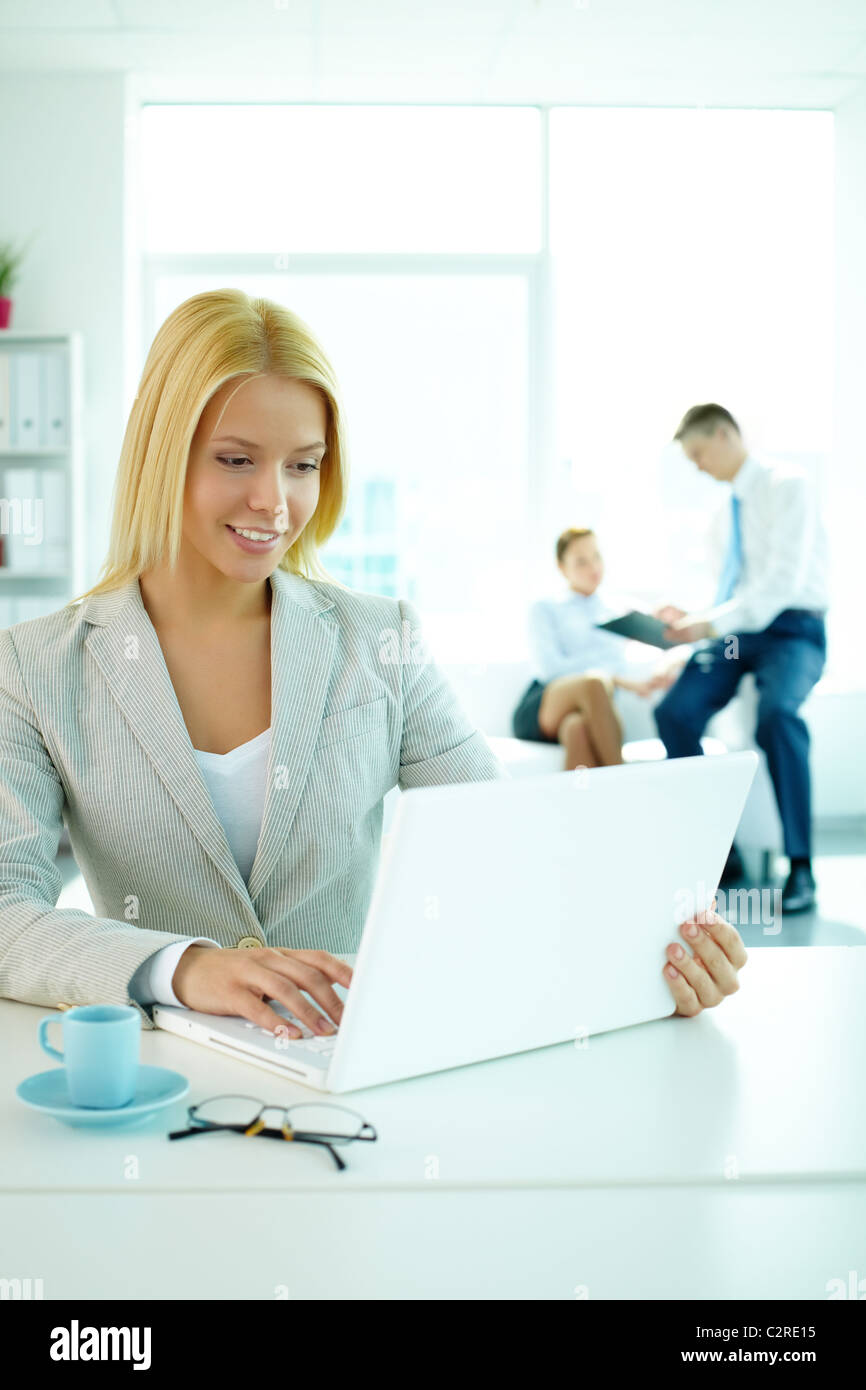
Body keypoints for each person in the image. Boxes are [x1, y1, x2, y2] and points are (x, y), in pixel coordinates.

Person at [0, 292, 747, 1032]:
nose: (275, 502)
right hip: (161, 1092)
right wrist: (187, 968)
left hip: (351, 1080)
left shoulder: (377, 640)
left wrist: (654, 954)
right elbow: (7, 910)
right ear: (163, 454)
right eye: (236, 460)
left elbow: (510, 845)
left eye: (304, 465)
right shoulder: (38, 667)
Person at [653, 403, 829, 913]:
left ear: (727, 434)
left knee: (778, 715)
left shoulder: (787, 486)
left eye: (700, 452)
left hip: (793, 629)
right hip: (737, 635)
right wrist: (694, 618)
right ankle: (720, 855)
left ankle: (801, 869)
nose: (698, 466)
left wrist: (709, 624)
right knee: (675, 712)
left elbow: (780, 585)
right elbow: (730, 595)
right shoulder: (720, 515)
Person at [512, 527, 681, 771]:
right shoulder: (545, 608)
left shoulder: (620, 608)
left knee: (577, 728)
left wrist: (665, 667)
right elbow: (550, 670)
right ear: (562, 567)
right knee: (595, 683)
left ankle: (579, 808)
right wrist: (620, 681)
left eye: (596, 557)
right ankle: (622, 779)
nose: (593, 567)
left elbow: (674, 639)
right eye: (581, 561)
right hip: (545, 703)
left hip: (591, 708)